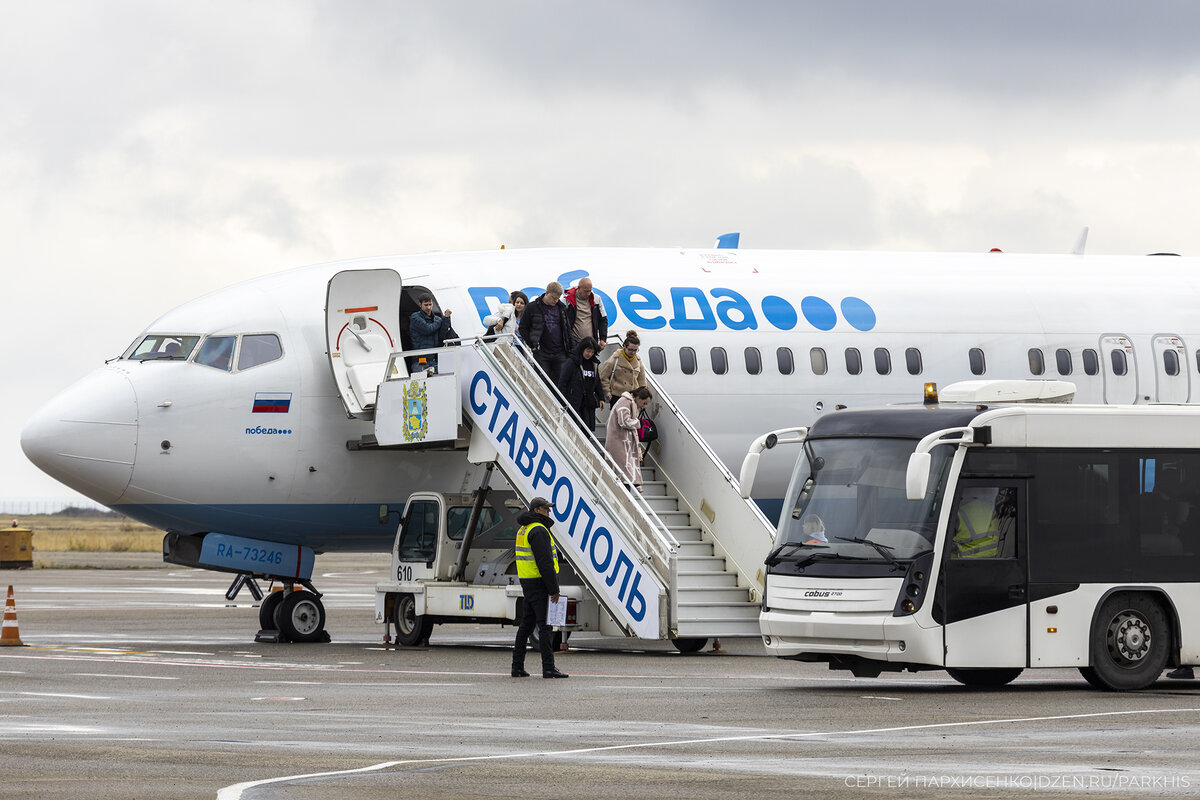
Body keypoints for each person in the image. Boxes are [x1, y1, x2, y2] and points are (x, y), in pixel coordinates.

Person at [511, 497, 569, 679]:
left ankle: (517, 667)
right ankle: (548, 668)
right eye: (546, 509)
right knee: (545, 626)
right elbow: (545, 564)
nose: (549, 512)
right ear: (537, 510)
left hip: (528, 582)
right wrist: (554, 589)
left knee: (526, 626)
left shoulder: (524, 529)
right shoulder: (539, 530)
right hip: (540, 583)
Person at [518, 282, 572, 383]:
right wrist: (532, 345)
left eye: (557, 298)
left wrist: (570, 348)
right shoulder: (532, 307)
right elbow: (523, 328)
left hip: (560, 352)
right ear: (547, 293)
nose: (555, 301)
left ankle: (558, 399)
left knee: (561, 382)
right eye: (553, 298)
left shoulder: (561, 308)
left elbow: (567, 329)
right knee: (542, 382)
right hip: (541, 352)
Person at [606, 386, 652, 491]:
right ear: (639, 398)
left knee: (626, 469)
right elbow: (624, 421)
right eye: (644, 403)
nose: (644, 407)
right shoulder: (625, 402)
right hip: (619, 441)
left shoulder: (629, 402)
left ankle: (633, 484)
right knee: (624, 469)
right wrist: (637, 423)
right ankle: (631, 486)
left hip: (623, 441)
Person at [559, 337, 605, 431]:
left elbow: (597, 381)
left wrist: (601, 397)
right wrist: (562, 400)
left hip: (589, 401)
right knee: (574, 427)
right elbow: (563, 382)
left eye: (592, 352)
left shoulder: (594, 363)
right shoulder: (572, 362)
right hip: (574, 400)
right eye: (588, 351)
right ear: (582, 349)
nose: (590, 354)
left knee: (588, 430)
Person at [600, 330, 648, 405]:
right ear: (624, 346)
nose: (632, 352)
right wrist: (608, 394)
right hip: (617, 396)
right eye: (630, 349)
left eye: (635, 350)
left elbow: (642, 380)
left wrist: (642, 397)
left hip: (633, 397)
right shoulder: (615, 358)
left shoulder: (638, 361)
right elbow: (604, 377)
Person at [409, 294, 452, 372]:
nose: (428, 307)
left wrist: (446, 319)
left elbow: (442, 335)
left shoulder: (436, 319)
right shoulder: (415, 317)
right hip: (420, 362)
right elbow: (427, 329)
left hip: (434, 360)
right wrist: (440, 321)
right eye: (426, 305)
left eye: (430, 304)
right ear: (420, 304)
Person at [564, 277, 608, 347]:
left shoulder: (596, 299)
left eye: (590, 291)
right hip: (574, 342)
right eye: (586, 291)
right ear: (579, 288)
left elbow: (603, 320)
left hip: (591, 342)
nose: (588, 293)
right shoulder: (567, 300)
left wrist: (603, 339)